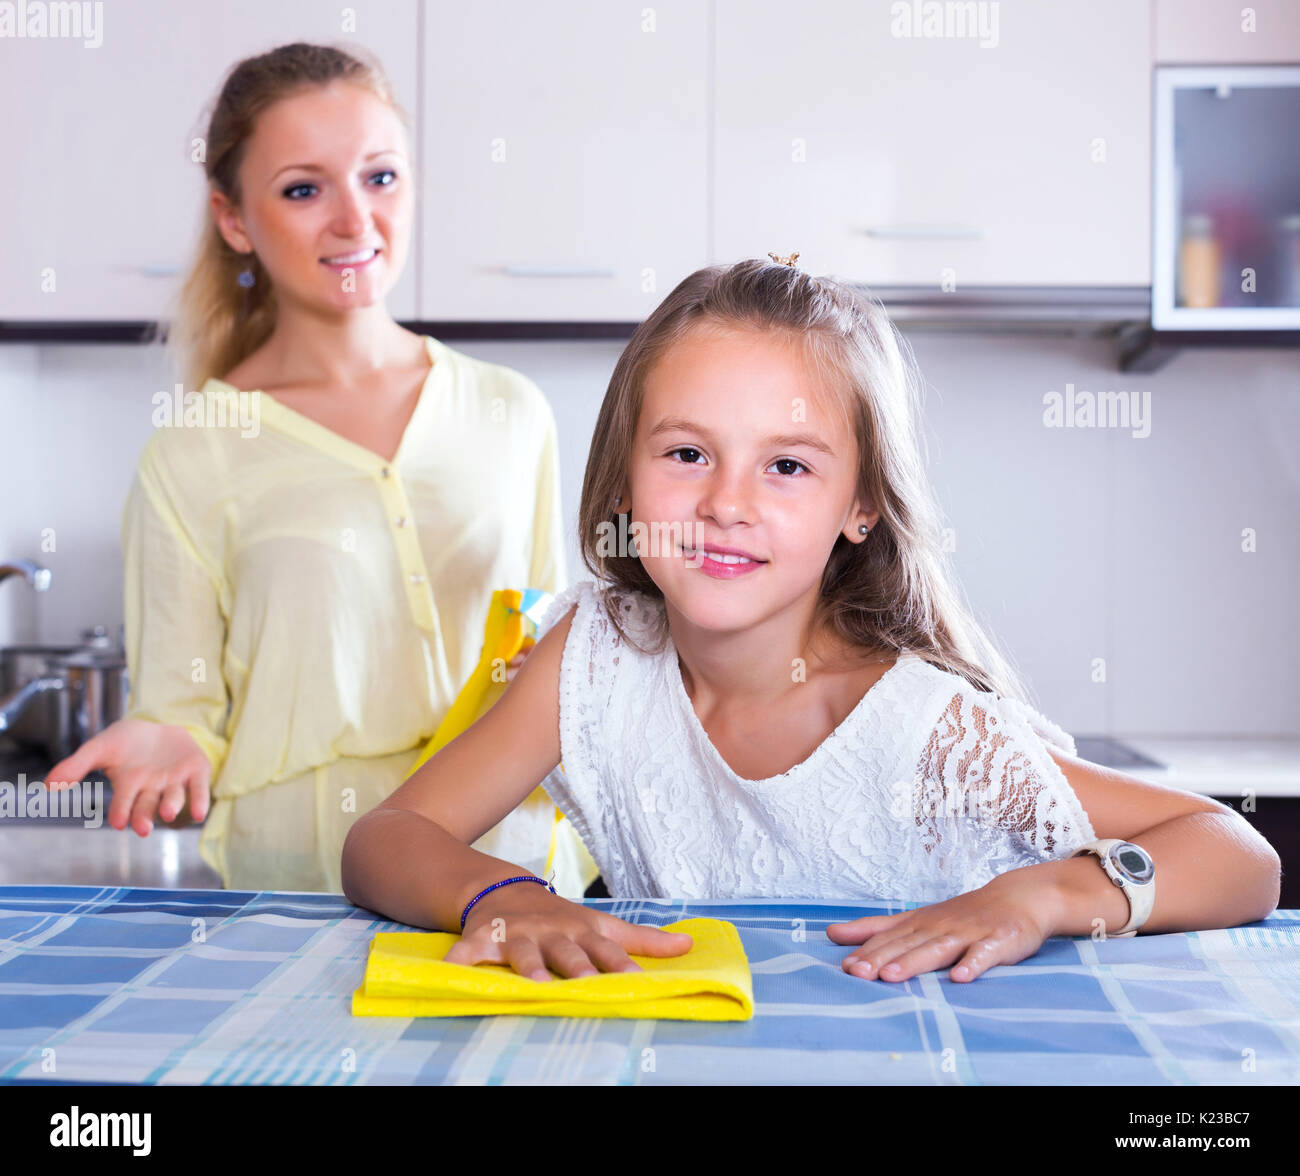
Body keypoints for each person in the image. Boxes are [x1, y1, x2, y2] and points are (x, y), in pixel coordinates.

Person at [341, 258, 1281, 983]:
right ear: (626, 473)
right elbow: (384, 838)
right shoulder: (598, 654)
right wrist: (500, 896)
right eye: (685, 453)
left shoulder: (922, 728)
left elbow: (1239, 855)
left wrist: (1041, 895)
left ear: (859, 507)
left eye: (786, 466)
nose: (726, 503)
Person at [45, 41, 591, 895]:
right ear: (234, 219)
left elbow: (550, 657)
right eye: (304, 189)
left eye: (380, 178)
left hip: (505, 875)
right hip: (298, 887)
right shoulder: (191, 453)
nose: (354, 221)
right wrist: (169, 740)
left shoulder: (509, 411)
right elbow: (179, 707)